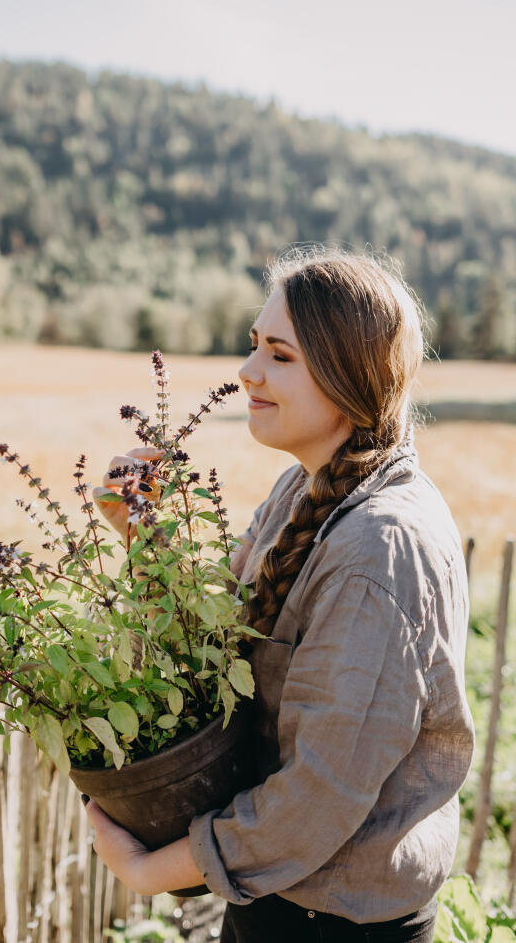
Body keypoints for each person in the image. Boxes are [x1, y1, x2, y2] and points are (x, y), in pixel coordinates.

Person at [84, 246, 475, 943]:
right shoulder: (306, 490)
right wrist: (142, 539)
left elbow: (316, 800)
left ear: (350, 377)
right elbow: (218, 654)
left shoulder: (377, 551)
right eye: (253, 345)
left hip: (334, 926)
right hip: (284, 907)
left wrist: (150, 873)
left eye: (280, 355)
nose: (246, 372)